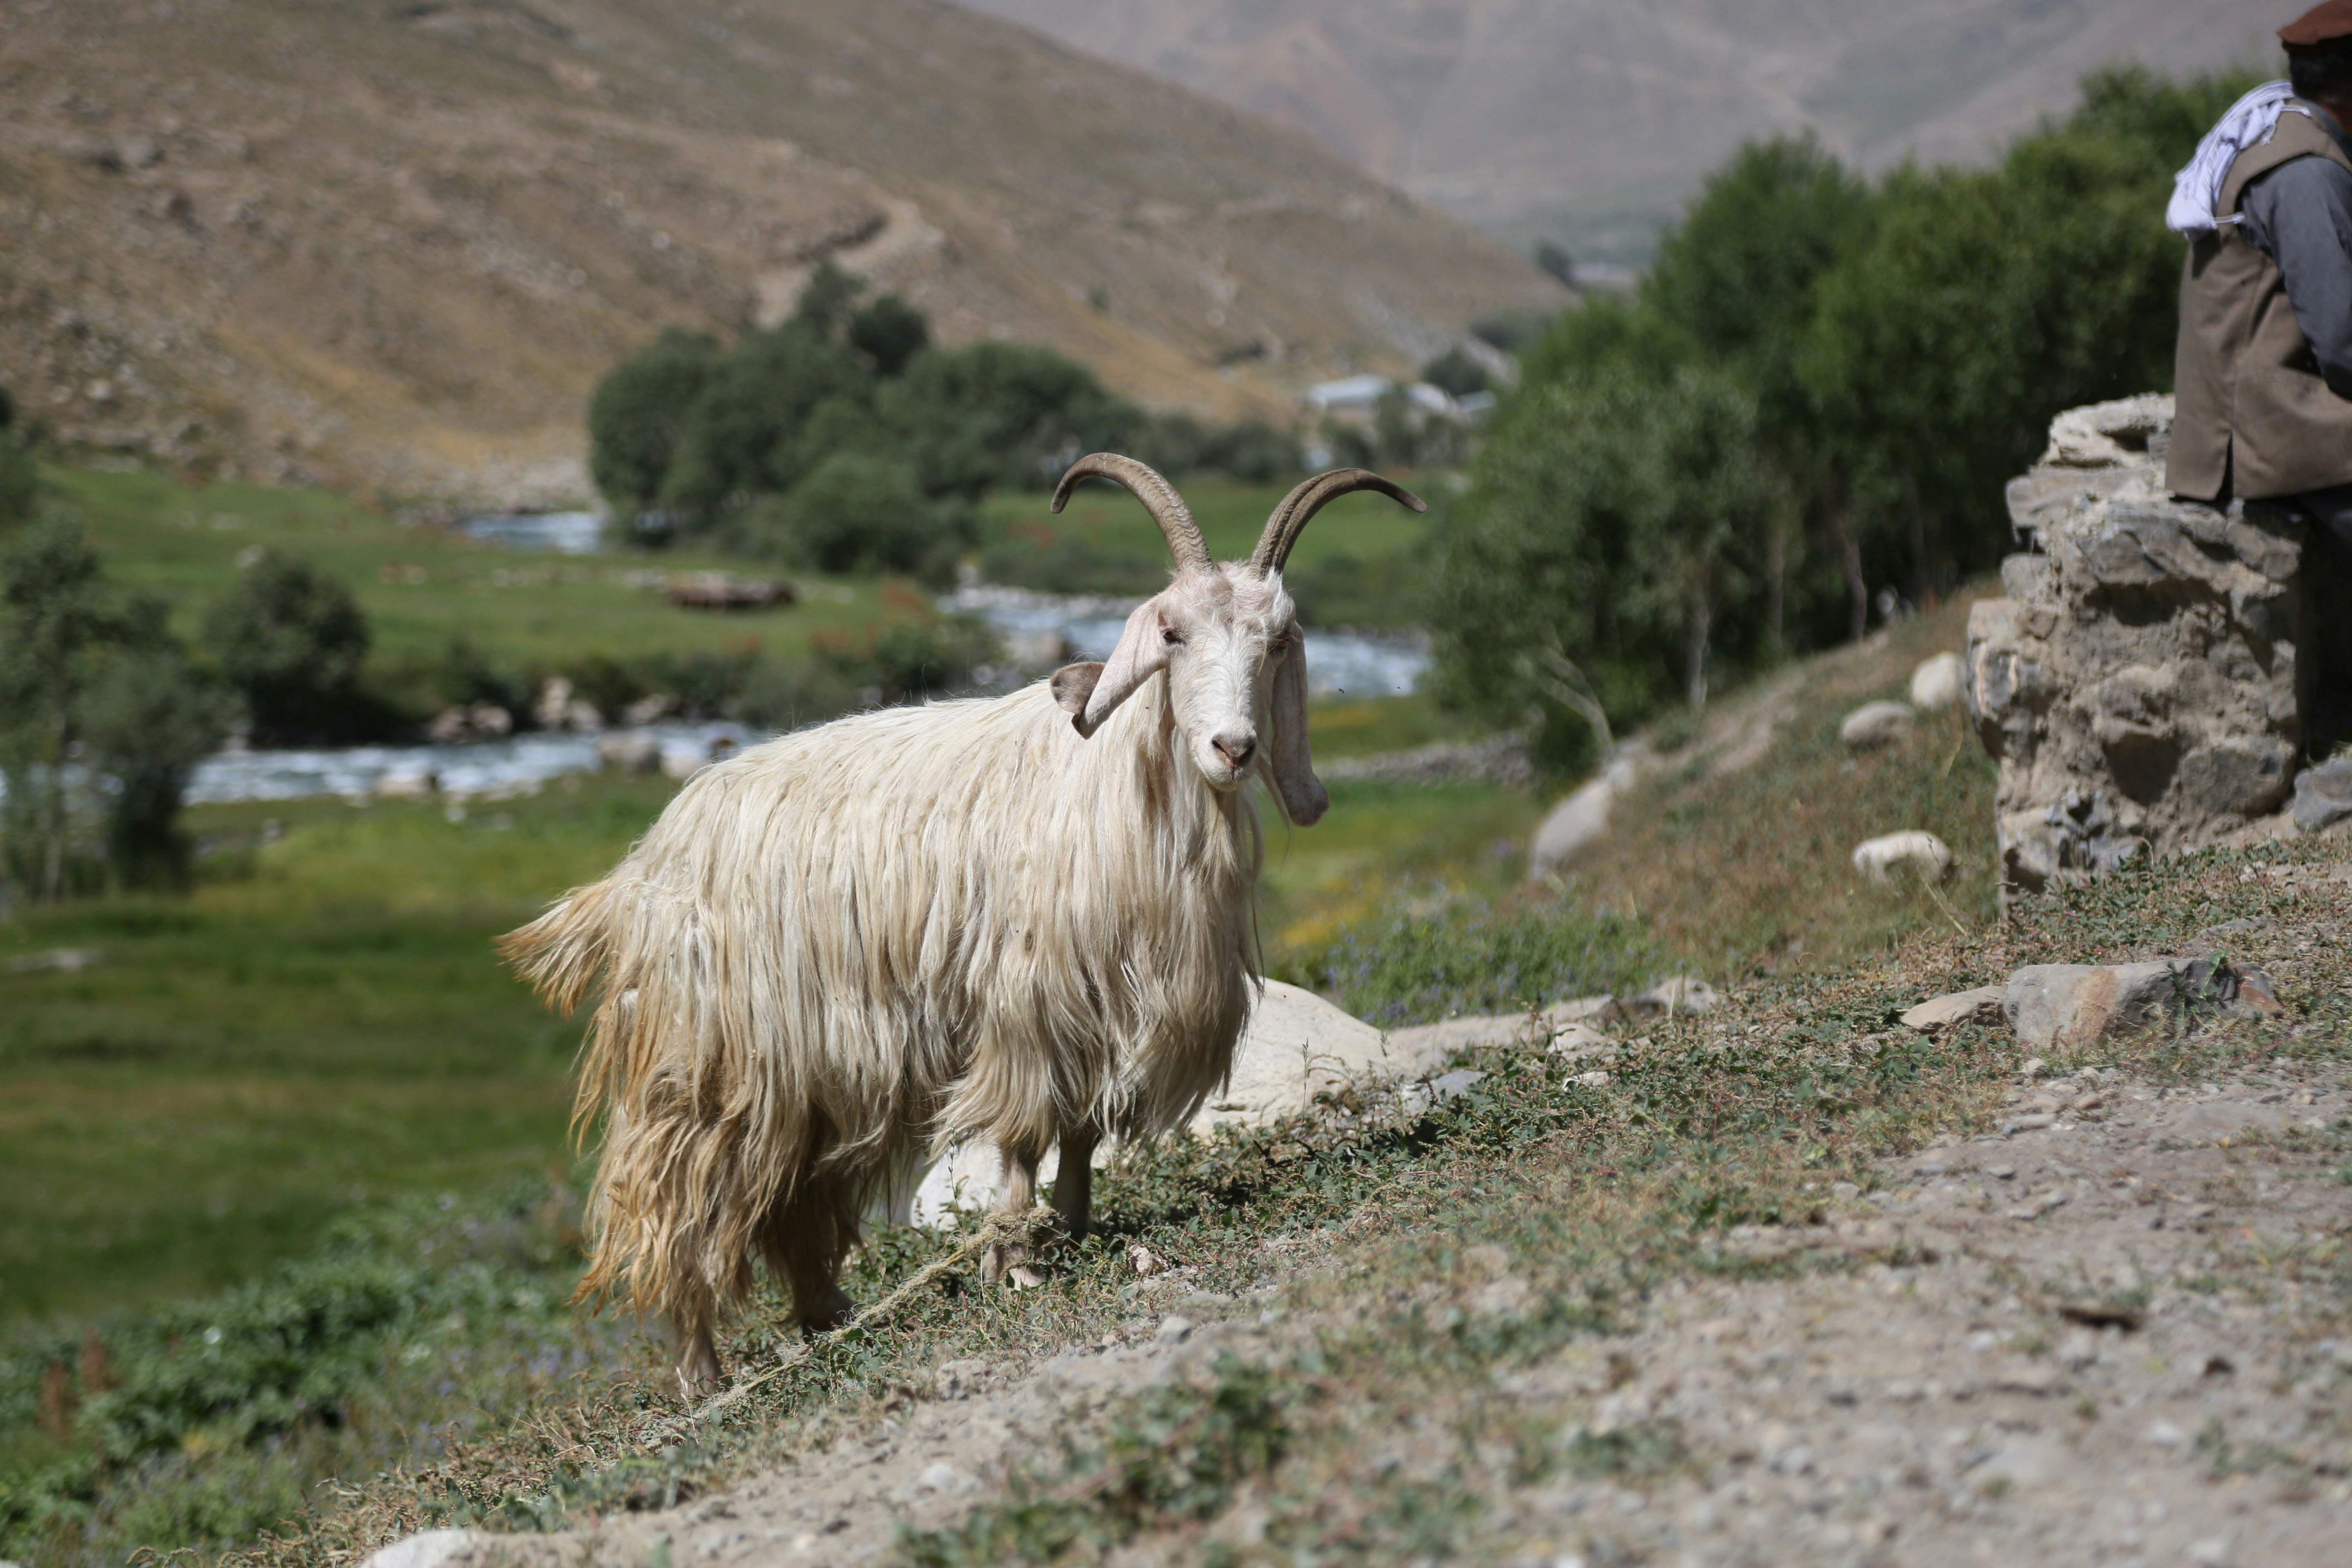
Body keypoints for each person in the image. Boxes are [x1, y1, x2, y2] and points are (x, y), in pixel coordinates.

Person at [2167, 0, 2352, 554]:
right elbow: (2343, 344)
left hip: (2268, 417)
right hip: (2264, 431)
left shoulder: (2291, 136)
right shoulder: (2306, 173)